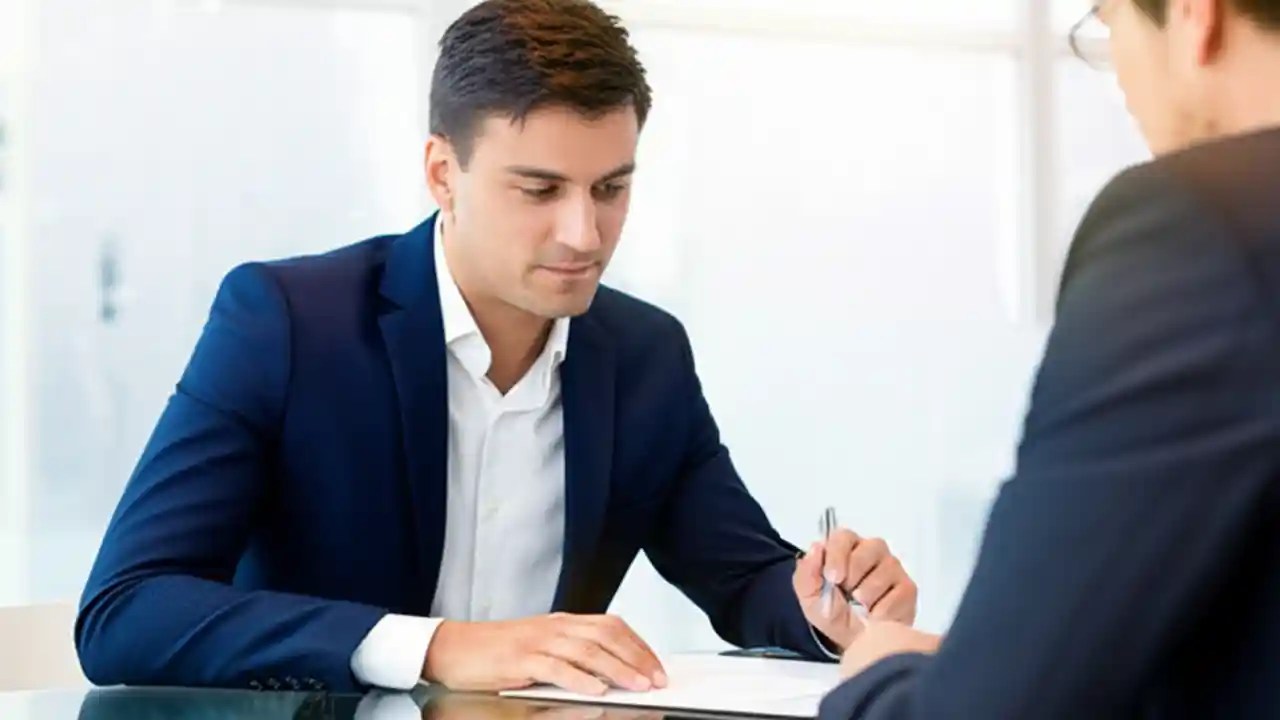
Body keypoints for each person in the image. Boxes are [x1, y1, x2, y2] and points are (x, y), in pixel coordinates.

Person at [74, 0, 918, 696]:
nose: (584, 233)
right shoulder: (288, 322)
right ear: (443, 172)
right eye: (540, 189)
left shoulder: (644, 355)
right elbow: (124, 609)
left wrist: (830, 609)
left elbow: (742, 577)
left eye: (611, 188)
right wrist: (437, 647)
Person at [818, 0, 1280, 717]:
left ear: (1195, 15)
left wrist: (879, 675)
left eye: (1109, 23)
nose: (1121, 80)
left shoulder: (1199, 227)